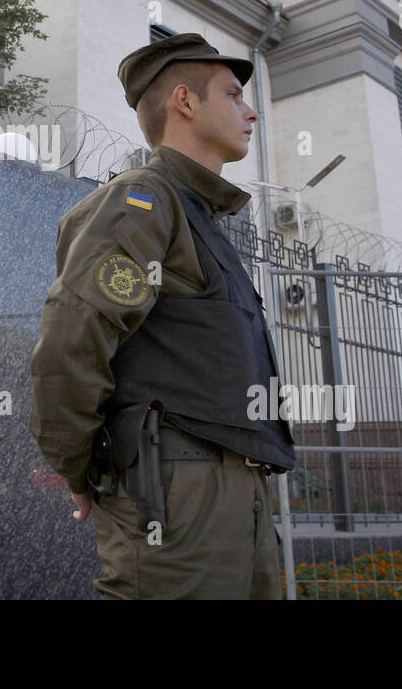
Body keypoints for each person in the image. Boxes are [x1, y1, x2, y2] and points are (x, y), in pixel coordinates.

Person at [29, 31, 297, 599]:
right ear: (184, 101)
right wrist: (78, 468)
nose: (250, 112)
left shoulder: (196, 214)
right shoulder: (144, 200)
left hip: (233, 484)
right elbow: (72, 336)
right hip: (177, 490)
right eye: (233, 94)